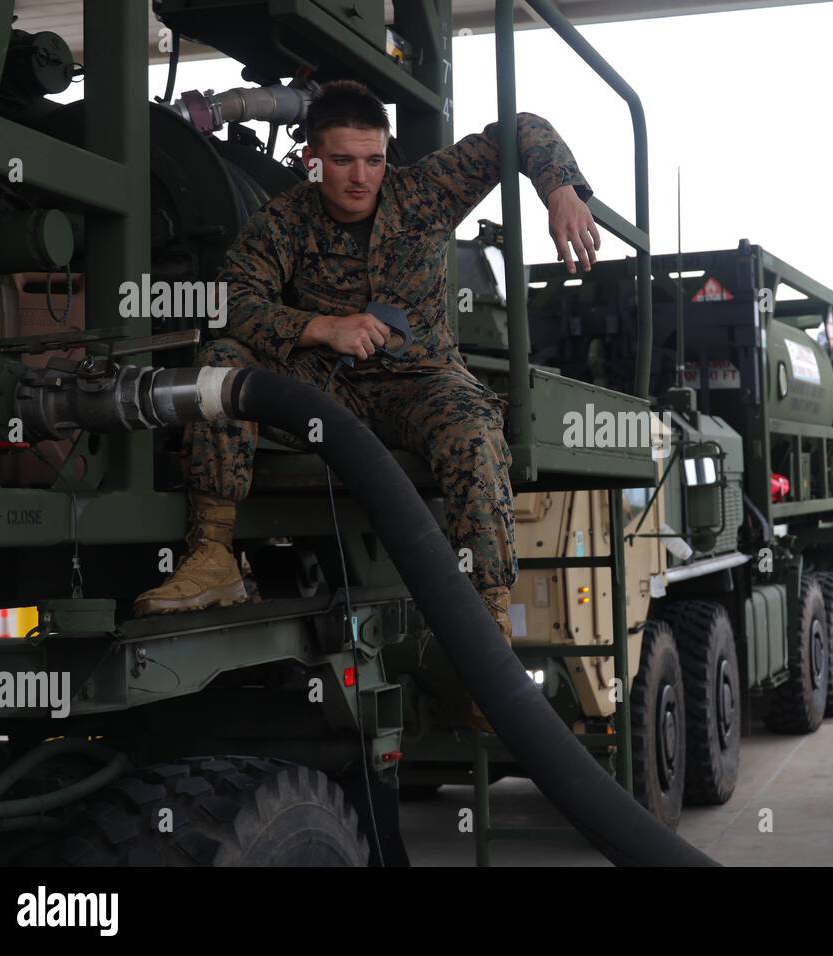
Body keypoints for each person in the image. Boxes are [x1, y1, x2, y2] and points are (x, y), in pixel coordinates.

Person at [133, 79, 600, 663]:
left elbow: (521, 126)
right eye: (342, 161)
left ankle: (489, 624)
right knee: (223, 365)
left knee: (474, 426)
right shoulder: (284, 222)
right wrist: (321, 328)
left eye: (374, 160)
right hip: (325, 391)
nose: (361, 178)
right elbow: (232, 302)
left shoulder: (425, 191)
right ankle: (213, 555)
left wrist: (560, 189)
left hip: (421, 385)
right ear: (312, 160)